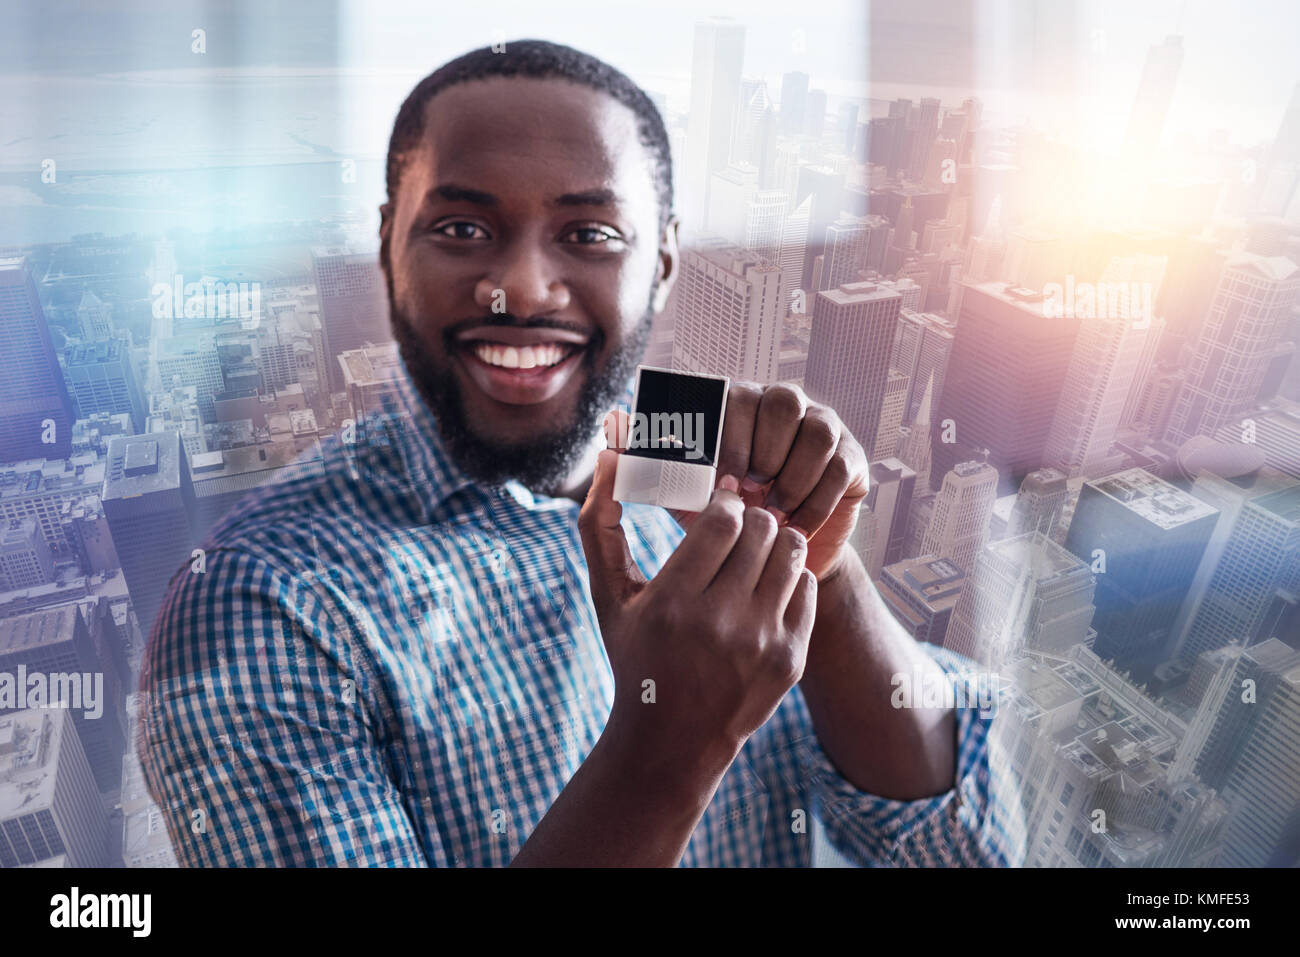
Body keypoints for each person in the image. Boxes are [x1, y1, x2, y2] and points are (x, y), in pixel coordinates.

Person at [138, 38, 1026, 867]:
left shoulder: (694, 458)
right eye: (461, 227)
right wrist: (665, 745)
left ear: (665, 258)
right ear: (386, 244)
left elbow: (968, 851)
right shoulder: (255, 603)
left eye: (591, 233)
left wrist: (819, 571)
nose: (523, 286)